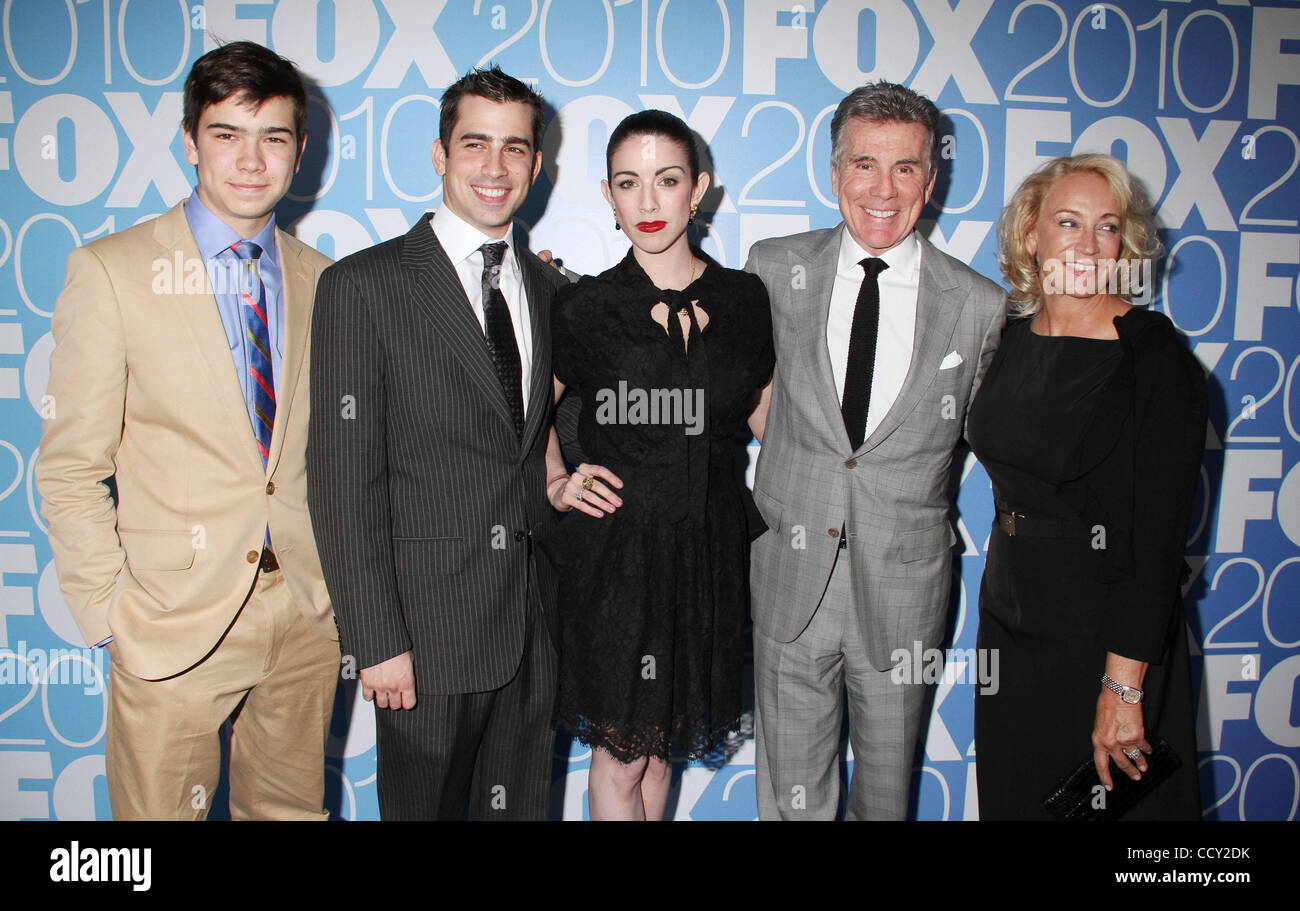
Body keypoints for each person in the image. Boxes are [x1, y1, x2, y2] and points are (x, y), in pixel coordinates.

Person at [36, 41, 339, 819]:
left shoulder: (321, 279)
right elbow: (71, 465)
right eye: (226, 134)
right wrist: (109, 615)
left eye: (273, 137)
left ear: (299, 153)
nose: (250, 159)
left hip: (302, 619)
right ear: (188, 142)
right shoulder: (113, 271)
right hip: (170, 622)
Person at [307, 67, 568, 820]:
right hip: (423, 638)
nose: (495, 168)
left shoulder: (553, 293)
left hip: (530, 631)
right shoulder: (365, 286)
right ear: (438, 154)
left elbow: (545, 438)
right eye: (475, 144)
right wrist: (376, 637)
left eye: (515, 149)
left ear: (537, 166)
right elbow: (340, 479)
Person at [744, 81, 1006, 820]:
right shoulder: (772, 266)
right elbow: (747, 394)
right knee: (791, 799)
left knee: (887, 800)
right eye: (864, 164)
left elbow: (999, 432)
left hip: (903, 591)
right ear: (834, 174)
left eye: (906, 168)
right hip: (788, 576)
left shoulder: (980, 304)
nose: (883, 190)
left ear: (933, 177)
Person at [543, 110, 773, 821]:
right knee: (621, 756)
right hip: (616, 555)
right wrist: (555, 481)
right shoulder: (585, 305)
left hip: (706, 553)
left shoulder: (743, 299)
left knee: (660, 756)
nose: (647, 203)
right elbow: (525, 417)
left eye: (666, 181)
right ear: (607, 195)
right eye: (628, 183)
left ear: (697, 189)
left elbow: (770, 420)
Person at [967, 154, 1205, 819]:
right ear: (1031, 232)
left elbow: (1157, 541)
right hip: (1012, 626)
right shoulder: (1009, 340)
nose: (1087, 242)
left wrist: (1123, 687)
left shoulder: (1152, 356)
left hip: (1105, 636)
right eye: (1068, 221)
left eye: (1106, 227)